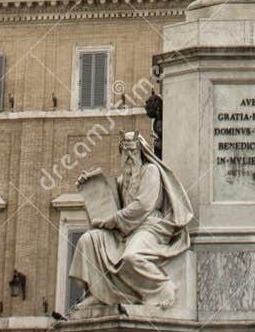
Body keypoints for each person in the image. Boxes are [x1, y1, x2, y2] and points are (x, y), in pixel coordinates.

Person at [69, 131, 192, 313]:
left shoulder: (151, 171)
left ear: (141, 151)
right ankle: (97, 293)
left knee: (131, 257)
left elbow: (142, 206)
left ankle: (162, 291)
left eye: (132, 151)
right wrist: (92, 184)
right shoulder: (122, 180)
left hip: (150, 227)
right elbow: (108, 202)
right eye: (124, 151)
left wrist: (113, 220)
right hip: (126, 231)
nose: (128, 156)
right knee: (88, 240)